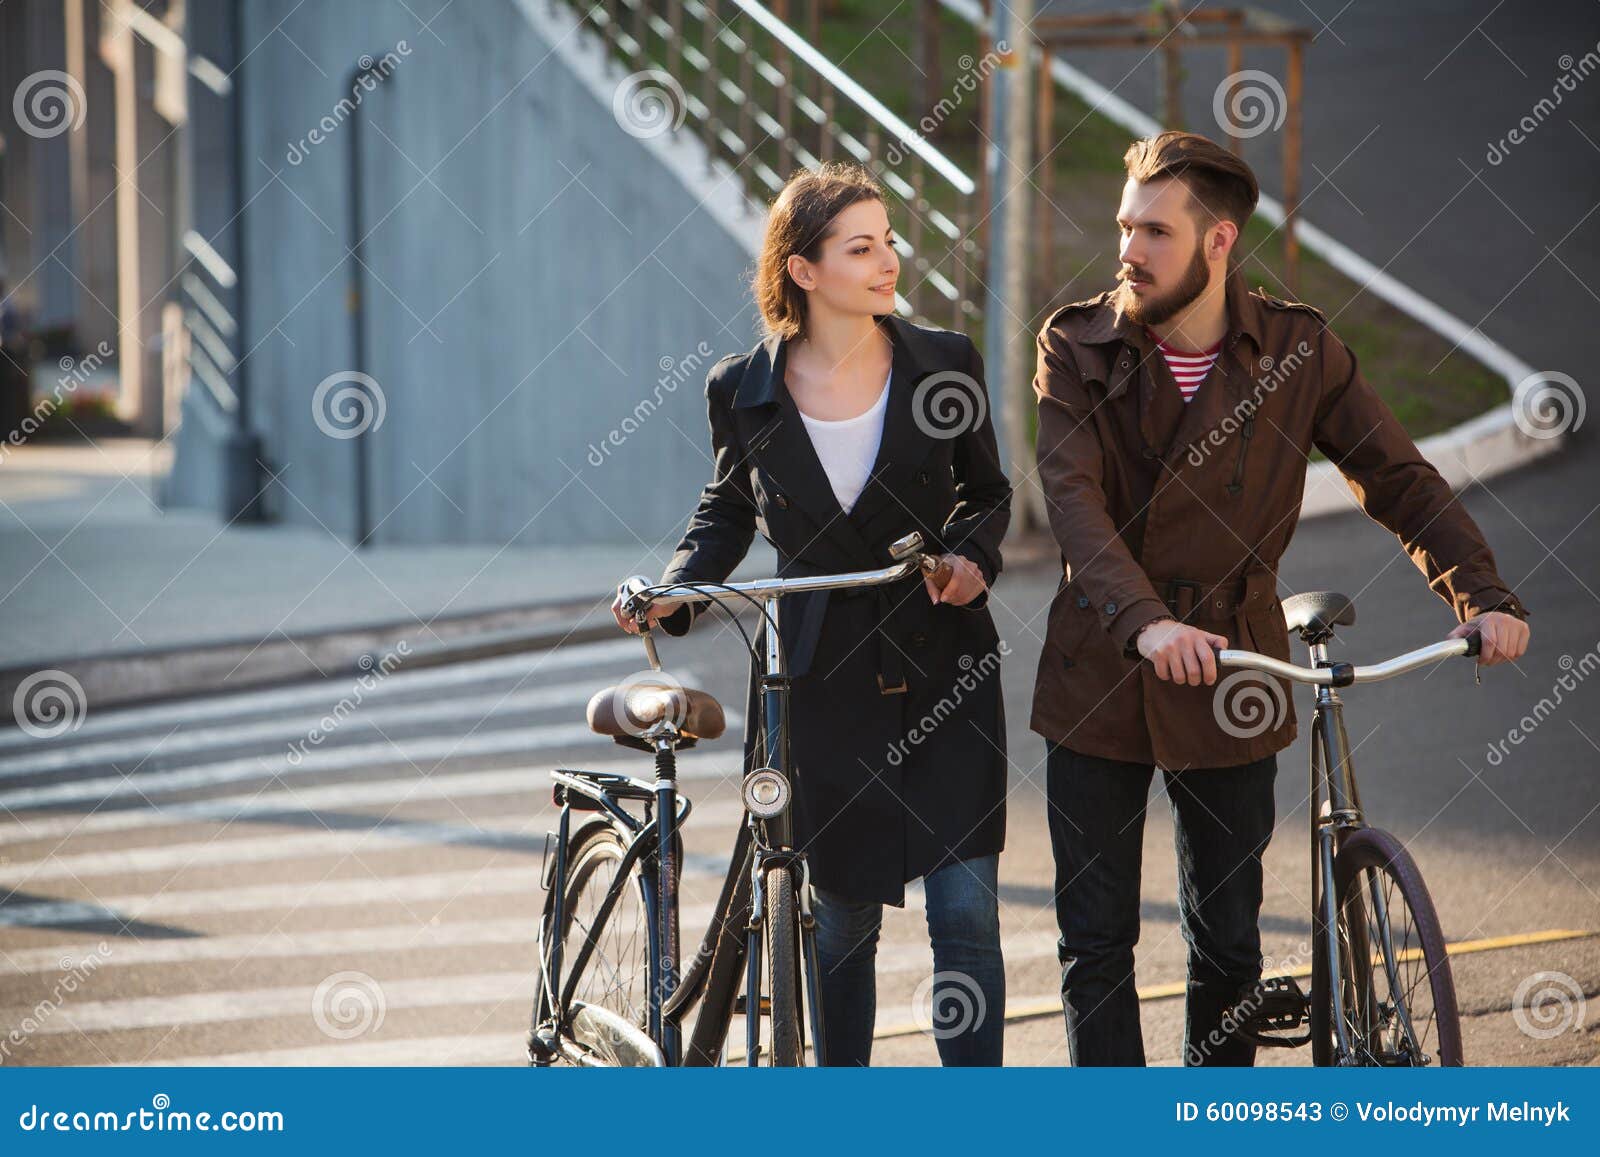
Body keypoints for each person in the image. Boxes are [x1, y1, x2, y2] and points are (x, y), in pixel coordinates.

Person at [1031, 130, 1531, 1066]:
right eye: (1124, 227)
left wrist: (1483, 591)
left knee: (1227, 946)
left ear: (1219, 243)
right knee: (1095, 946)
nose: (1128, 251)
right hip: (1101, 665)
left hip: (1234, 667)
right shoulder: (1078, 345)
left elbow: (1401, 478)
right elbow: (1073, 502)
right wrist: (1144, 622)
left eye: (1155, 233)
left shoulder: (1300, 351)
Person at [610, 162, 1013, 1065]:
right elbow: (727, 509)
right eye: (861, 247)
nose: (888, 262)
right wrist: (678, 588)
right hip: (818, 675)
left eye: (889, 242)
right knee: (840, 923)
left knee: (966, 915)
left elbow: (989, 495)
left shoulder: (945, 362)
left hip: (945, 660)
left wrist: (971, 560)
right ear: (803, 269)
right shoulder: (741, 388)